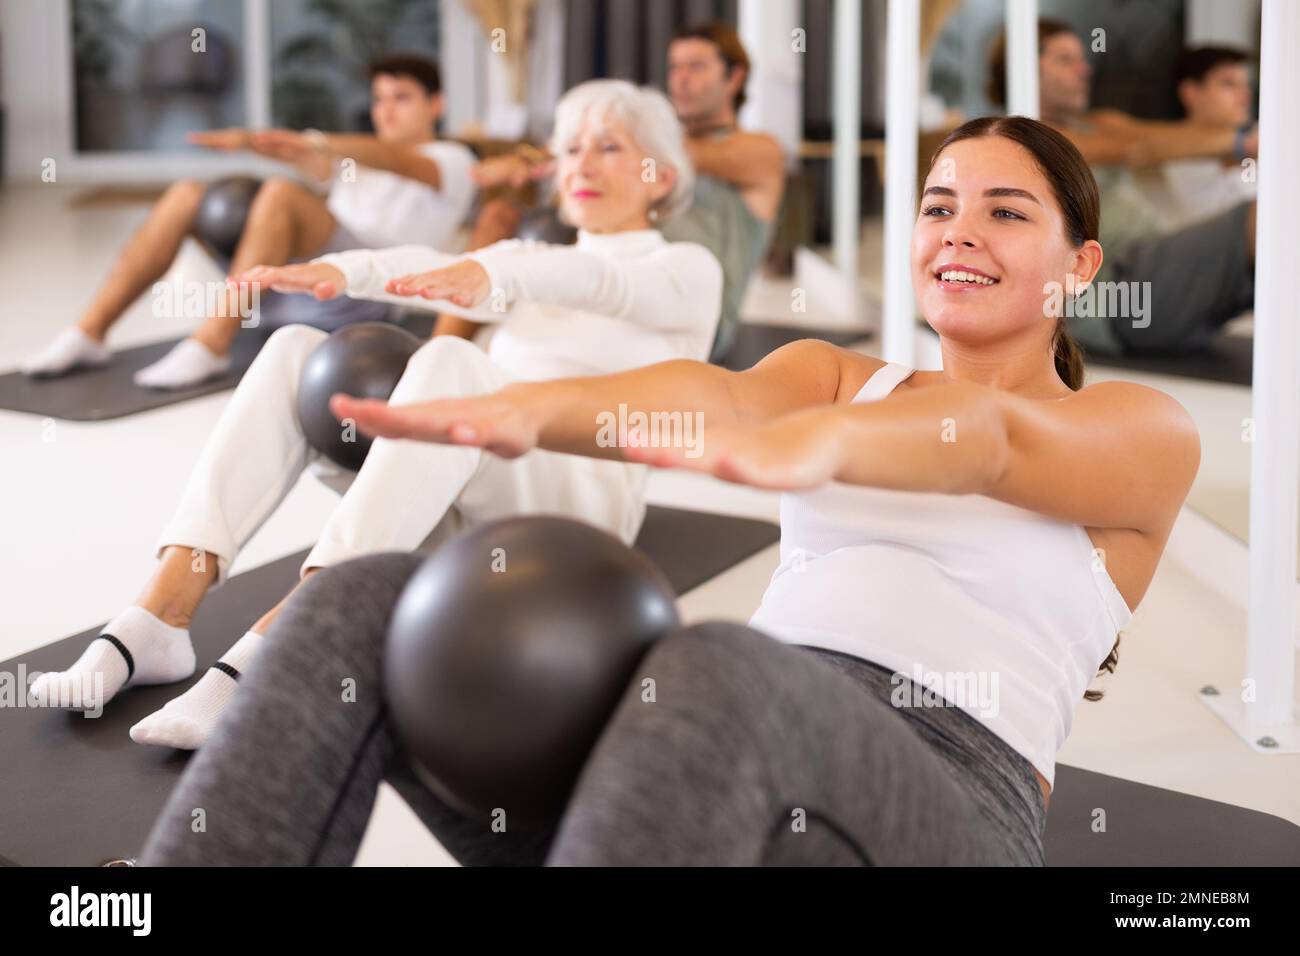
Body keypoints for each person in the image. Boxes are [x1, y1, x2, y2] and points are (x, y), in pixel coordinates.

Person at [138, 116, 1199, 866]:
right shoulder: (842, 374)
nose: (957, 231)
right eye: (937, 206)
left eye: (1004, 213)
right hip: (689, 779)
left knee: (720, 660)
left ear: (1079, 265)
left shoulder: (1138, 432)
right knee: (361, 598)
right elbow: (718, 399)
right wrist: (514, 412)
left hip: (944, 800)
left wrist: (823, 444)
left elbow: (989, 440)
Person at [30, 80, 722, 751]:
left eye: (608, 147)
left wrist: (498, 275)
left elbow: (600, 281)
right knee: (296, 345)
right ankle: (158, 617)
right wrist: (346, 272)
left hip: (577, 509)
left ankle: (289, 641)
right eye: (570, 149)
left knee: (452, 364)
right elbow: (436, 261)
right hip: (455, 488)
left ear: (661, 177)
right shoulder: (529, 260)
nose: (581, 164)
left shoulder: (686, 269)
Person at [21, 55, 479, 388]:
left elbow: (395, 159)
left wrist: (318, 143)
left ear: (436, 105)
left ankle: (211, 345)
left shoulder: (451, 160)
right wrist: (247, 141)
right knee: (186, 195)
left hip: (356, 296)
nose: (386, 110)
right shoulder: (351, 160)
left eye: (402, 98)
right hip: (284, 289)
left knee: (281, 193)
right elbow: (303, 155)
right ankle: (89, 333)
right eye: (379, 99)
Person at [464, 19, 785, 362]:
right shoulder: (647, 142)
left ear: (734, 77)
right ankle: (449, 345)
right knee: (501, 218)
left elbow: (677, 151)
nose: (681, 78)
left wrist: (554, 152)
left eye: (697, 66)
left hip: (688, 309)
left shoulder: (759, 151)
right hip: (617, 276)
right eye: (675, 66)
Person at [988, 20, 1257, 357]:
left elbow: (1140, 138)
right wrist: (1243, 142)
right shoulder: (1019, 144)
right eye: (1066, 59)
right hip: (1117, 298)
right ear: (1025, 67)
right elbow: (1131, 148)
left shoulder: (1098, 124)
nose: (1084, 69)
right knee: (1261, 218)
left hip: (1151, 274)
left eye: (1083, 59)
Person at [1159, 46, 1257, 229]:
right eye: (1229, 84)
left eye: (1246, 85)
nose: (1245, 95)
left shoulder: (1252, 138)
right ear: (1190, 93)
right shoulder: (1177, 152)